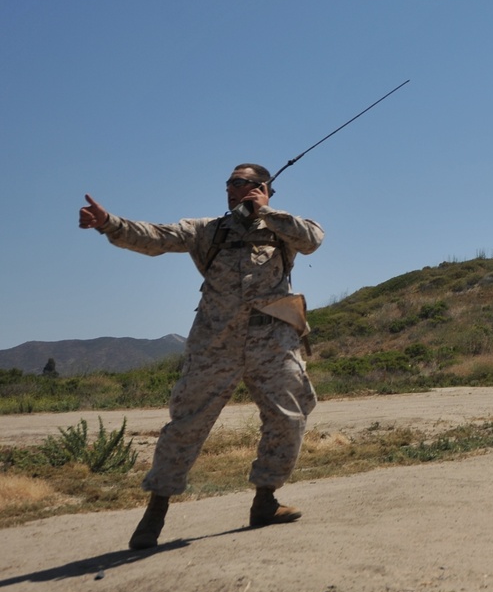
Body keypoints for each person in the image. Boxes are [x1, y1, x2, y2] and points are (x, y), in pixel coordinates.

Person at [78, 163, 324, 550]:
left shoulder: (284, 226)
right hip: (214, 343)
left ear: (263, 188)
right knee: (187, 425)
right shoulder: (206, 230)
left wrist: (266, 212)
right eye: (229, 183)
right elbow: (156, 237)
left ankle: (265, 501)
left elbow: (313, 240)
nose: (232, 189)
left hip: (272, 340)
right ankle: (155, 511)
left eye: (242, 183)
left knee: (289, 418)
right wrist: (110, 223)